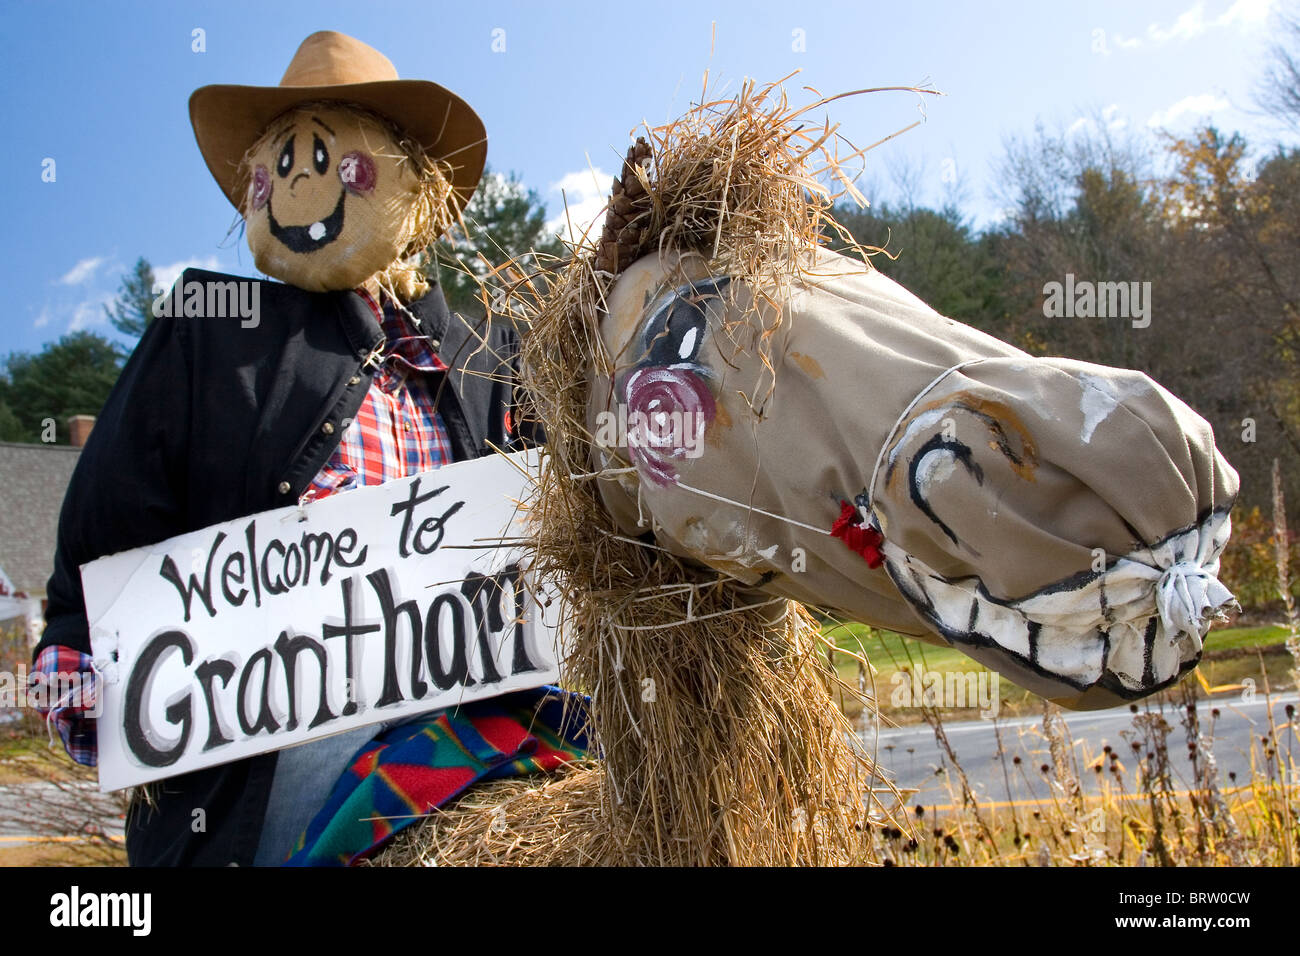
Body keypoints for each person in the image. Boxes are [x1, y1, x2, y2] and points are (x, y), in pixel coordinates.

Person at [31, 31, 539, 866]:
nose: (302, 181)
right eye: (283, 163)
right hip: (277, 759)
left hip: (478, 736)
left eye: (336, 160)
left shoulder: (491, 356)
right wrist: (88, 671)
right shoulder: (209, 336)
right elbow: (102, 544)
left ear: (417, 183)